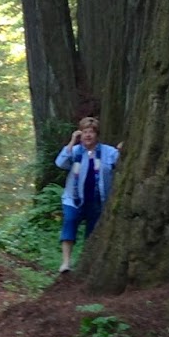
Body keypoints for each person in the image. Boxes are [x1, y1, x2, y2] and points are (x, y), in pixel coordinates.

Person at [55, 116, 118, 273]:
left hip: (97, 200)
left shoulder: (108, 152)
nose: (88, 135)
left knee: (93, 233)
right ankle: (66, 263)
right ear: (80, 134)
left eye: (91, 132)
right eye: (84, 132)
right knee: (70, 222)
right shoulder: (75, 151)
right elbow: (60, 163)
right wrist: (71, 142)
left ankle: (87, 264)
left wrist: (123, 149)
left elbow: (120, 160)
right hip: (73, 199)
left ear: (97, 135)